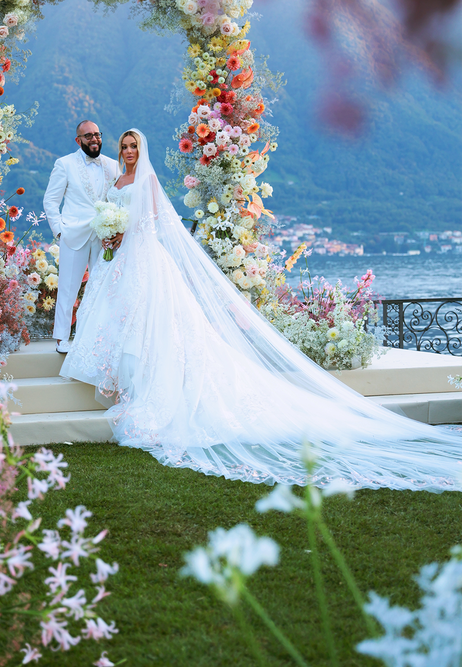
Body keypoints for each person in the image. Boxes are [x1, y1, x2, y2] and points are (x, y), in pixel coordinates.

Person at [61, 129, 462, 491]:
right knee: (124, 322)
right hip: (117, 259)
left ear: (140, 150)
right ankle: (127, 384)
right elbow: (113, 212)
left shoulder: (146, 179)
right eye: (125, 147)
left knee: (150, 325)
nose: (128, 151)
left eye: (133, 147)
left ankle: (147, 388)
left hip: (143, 257)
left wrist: (120, 228)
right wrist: (109, 232)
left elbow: (147, 220)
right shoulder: (116, 178)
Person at [43, 120, 119, 353]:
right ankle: (62, 339)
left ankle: (96, 336)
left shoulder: (113, 165)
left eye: (97, 134)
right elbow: (50, 201)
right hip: (73, 233)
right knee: (68, 287)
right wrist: (59, 231)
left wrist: (115, 227)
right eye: (88, 136)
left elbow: (118, 200)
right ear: (78, 140)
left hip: (104, 236)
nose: (94, 139)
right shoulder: (64, 164)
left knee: (102, 288)